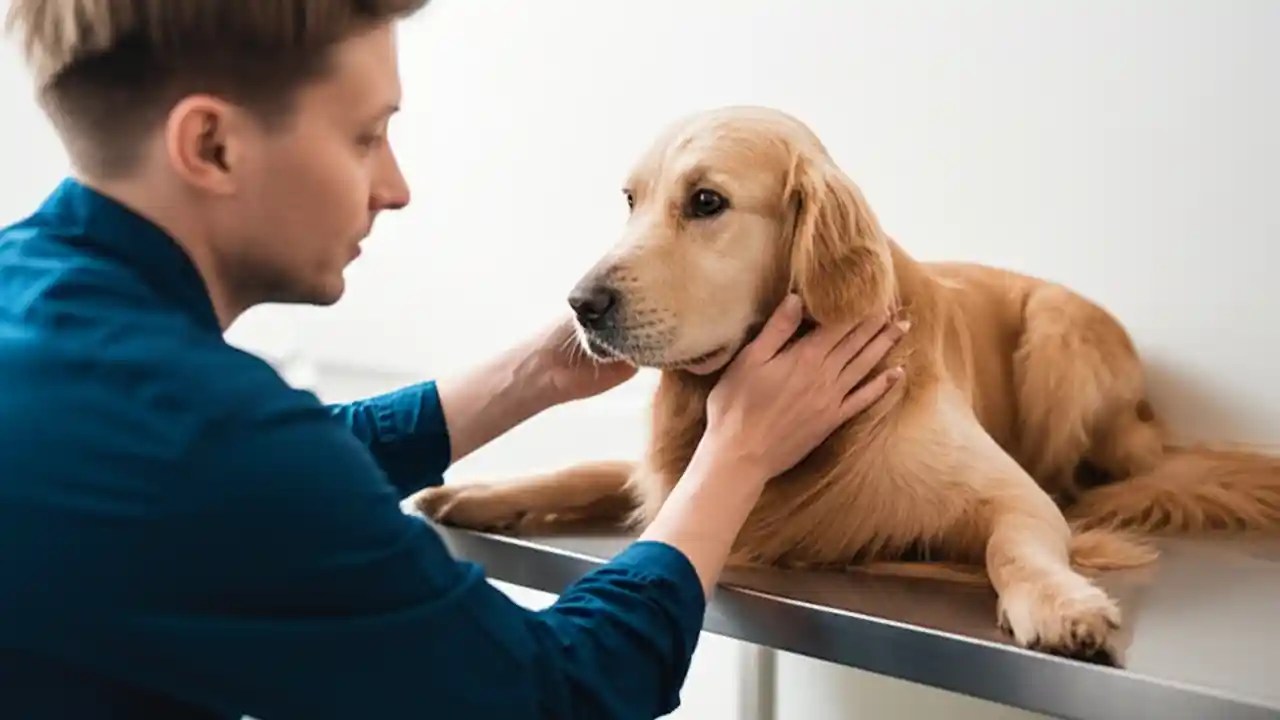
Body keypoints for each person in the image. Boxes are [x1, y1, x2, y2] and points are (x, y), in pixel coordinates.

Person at [0, 2, 907, 719]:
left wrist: (530, 377)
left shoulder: (38, 311)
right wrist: (737, 453)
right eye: (366, 135)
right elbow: (556, 697)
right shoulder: (204, 437)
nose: (396, 187)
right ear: (211, 145)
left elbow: (243, 475)